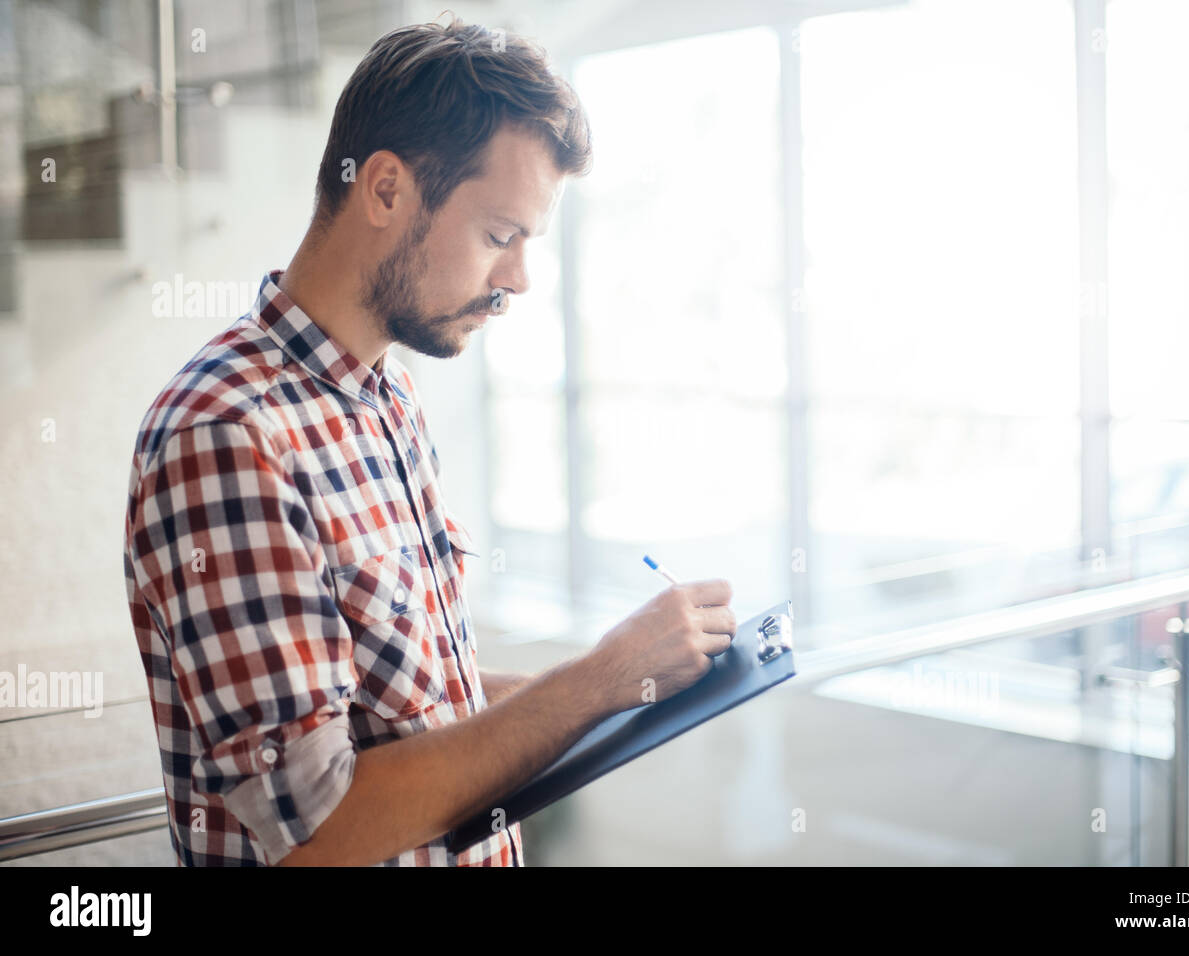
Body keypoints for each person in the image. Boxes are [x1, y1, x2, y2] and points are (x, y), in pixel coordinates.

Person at [122, 16, 736, 867]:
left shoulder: (387, 396)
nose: (518, 278)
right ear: (384, 191)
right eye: (498, 236)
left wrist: (626, 683)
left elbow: (406, 704)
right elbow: (318, 827)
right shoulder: (228, 436)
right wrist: (594, 681)